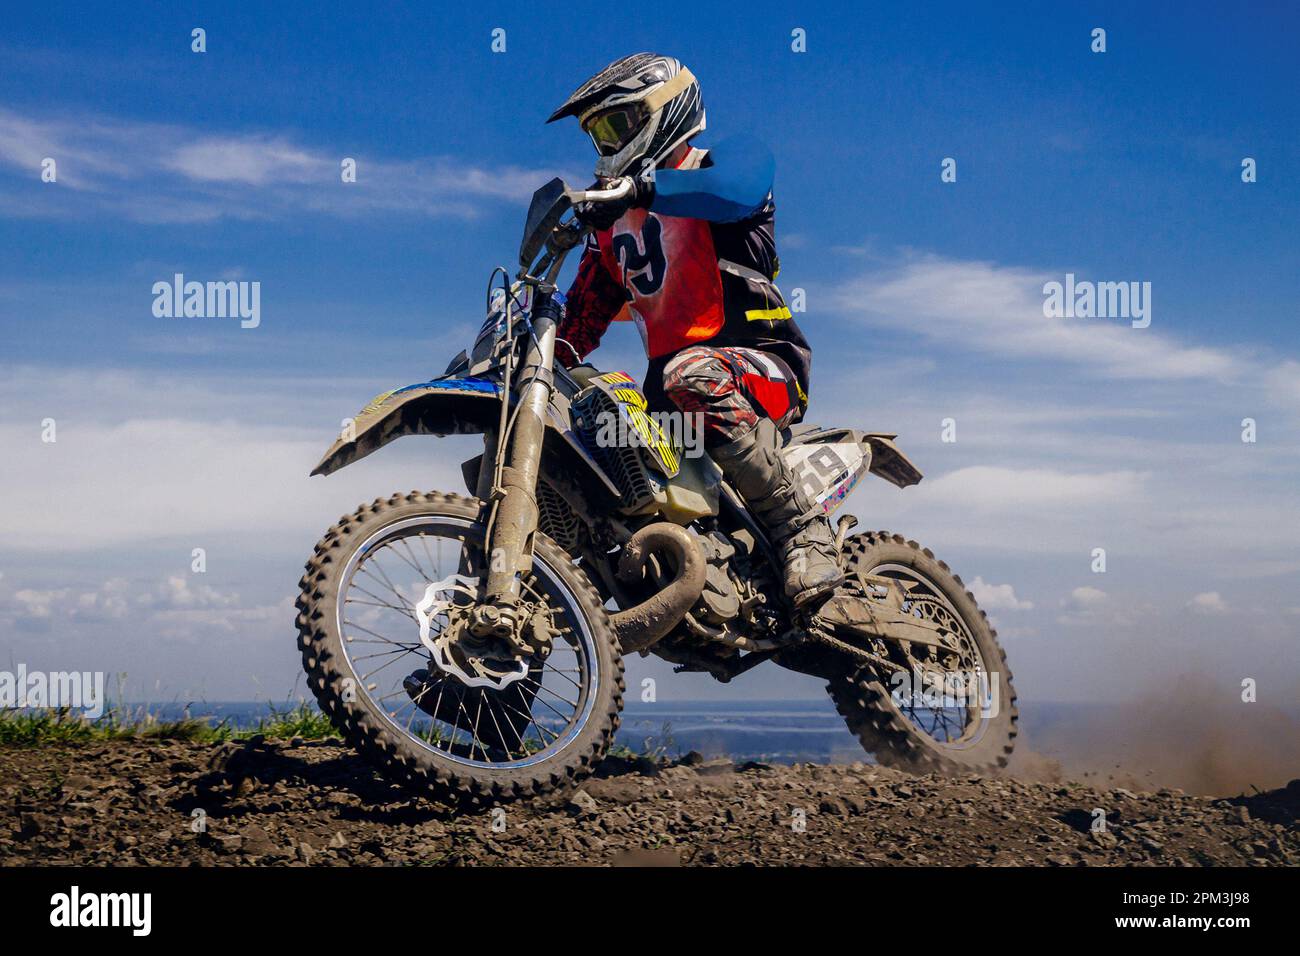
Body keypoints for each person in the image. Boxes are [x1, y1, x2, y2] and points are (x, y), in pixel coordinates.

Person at [548, 53, 842, 608]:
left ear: (664, 107)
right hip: (674, 395)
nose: (607, 144)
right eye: (597, 135)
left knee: (690, 373)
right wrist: (524, 350)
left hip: (762, 366)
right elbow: (577, 324)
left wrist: (638, 190)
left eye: (616, 124)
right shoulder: (615, 230)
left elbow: (735, 188)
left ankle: (801, 529)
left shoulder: (727, 163)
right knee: (588, 412)